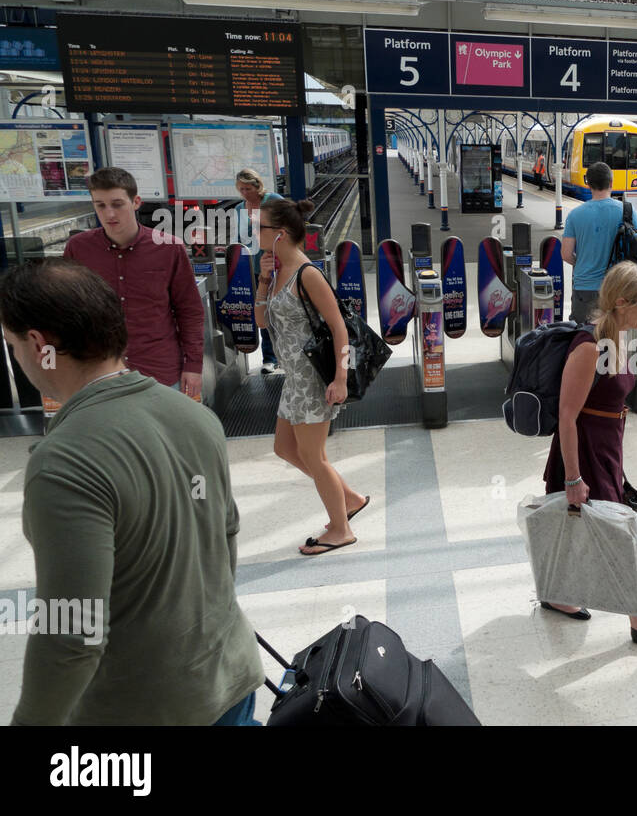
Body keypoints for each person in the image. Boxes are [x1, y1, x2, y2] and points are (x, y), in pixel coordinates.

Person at [1, 258, 263, 725]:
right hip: (229, 678)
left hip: (145, 708)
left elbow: (72, 632)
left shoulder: (64, 462)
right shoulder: (196, 418)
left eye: (13, 345)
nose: (18, 358)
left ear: (40, 345)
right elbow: (223, 546)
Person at [540, 261, 637, 645]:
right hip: (585, 452)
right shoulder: (589, 348)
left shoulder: (619, 339)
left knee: (572, 531)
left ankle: (557, 595)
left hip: (606, 449)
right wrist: (573, 477)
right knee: (623, 536)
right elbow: (567, 417)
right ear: (622, 302)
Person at [255, 199, 369, 556]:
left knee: (313, 456)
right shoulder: (278, 272)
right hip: (294, 378)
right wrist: (262, 279)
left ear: (280, 234)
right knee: (284, 449)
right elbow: (261, 322)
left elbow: (338, 327)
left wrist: (341, 377)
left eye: (261, 228)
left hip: (313, 379)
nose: (256, 233)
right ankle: (348, 497)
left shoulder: (308, 274)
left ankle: (340, 528)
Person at [63, 167, 204, 398]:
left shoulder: (168, 248)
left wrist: (194, 366)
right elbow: (65, 311)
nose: (109, 214)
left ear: (136, 202)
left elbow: (189, 311)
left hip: (159, 372)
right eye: (100, 205)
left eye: (117, 204)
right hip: (97, 374)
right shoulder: (77, 249)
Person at [562, 162, 637, 324]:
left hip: (585, 287)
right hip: (619, 287)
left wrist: (583, 263)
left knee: (584, 337)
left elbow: (566, 254)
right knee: (615, 338)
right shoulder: (627, 211)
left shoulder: (575, 215)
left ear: (588, 183)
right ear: (611, 183)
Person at [237, 168, 284, 374]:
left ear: (257, 185)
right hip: (255, 269)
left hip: (278, 265)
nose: (244, 193)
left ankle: (285, 354)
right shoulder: (240, 208)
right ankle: (270, 357)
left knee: (282, 311)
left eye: (247, 188)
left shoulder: (273, 200)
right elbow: (241, 238)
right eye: (240, 189)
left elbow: (289, 226)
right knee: (263, 311)